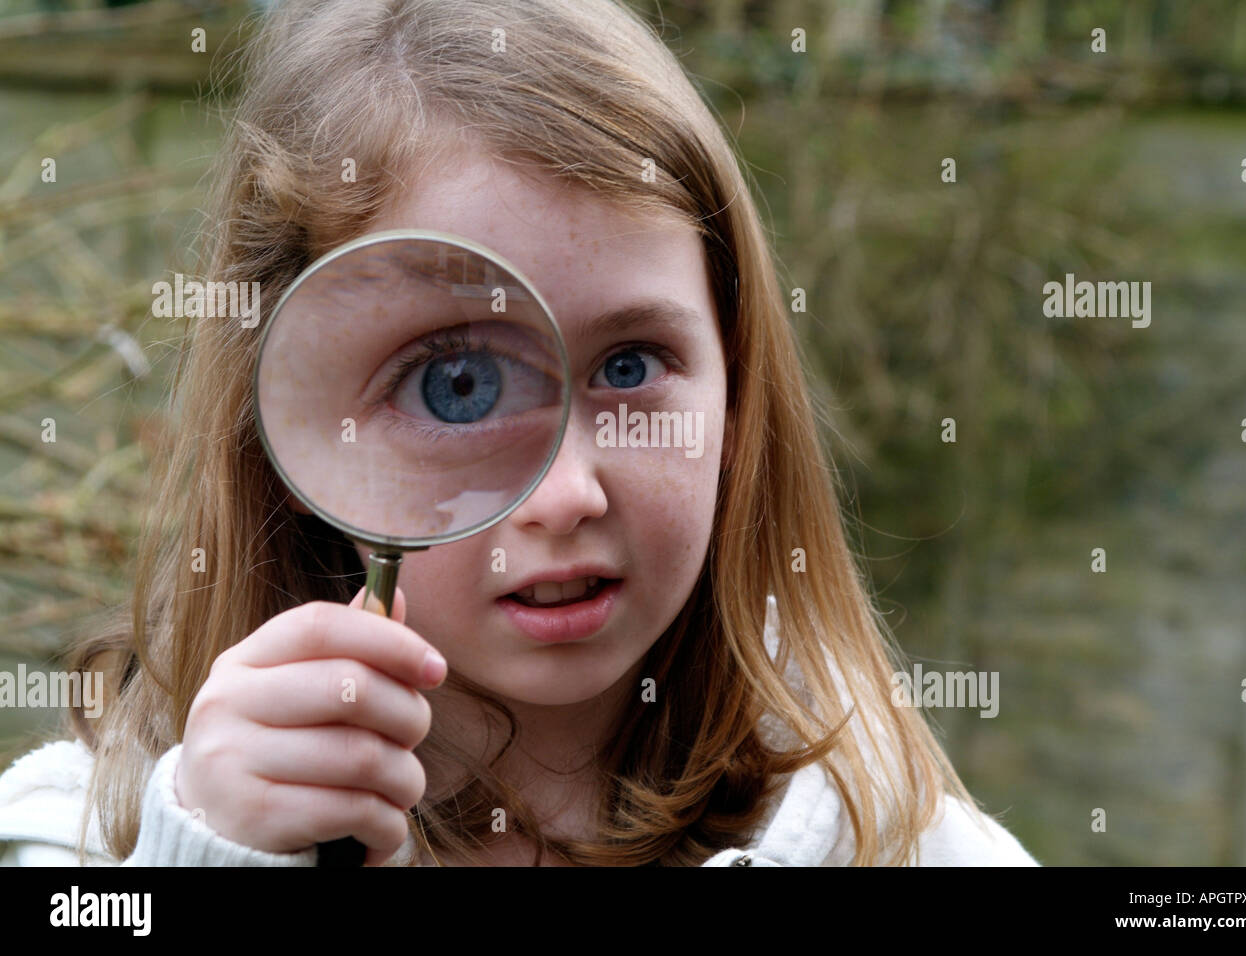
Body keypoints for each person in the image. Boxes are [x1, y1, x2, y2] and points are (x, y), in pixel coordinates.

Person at [0, 0, 1038, 867]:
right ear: (285, 423)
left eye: (629, 366)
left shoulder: (891, 834)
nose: (564, 493)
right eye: (457, 384)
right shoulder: (93, 836)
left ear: (737, 392)